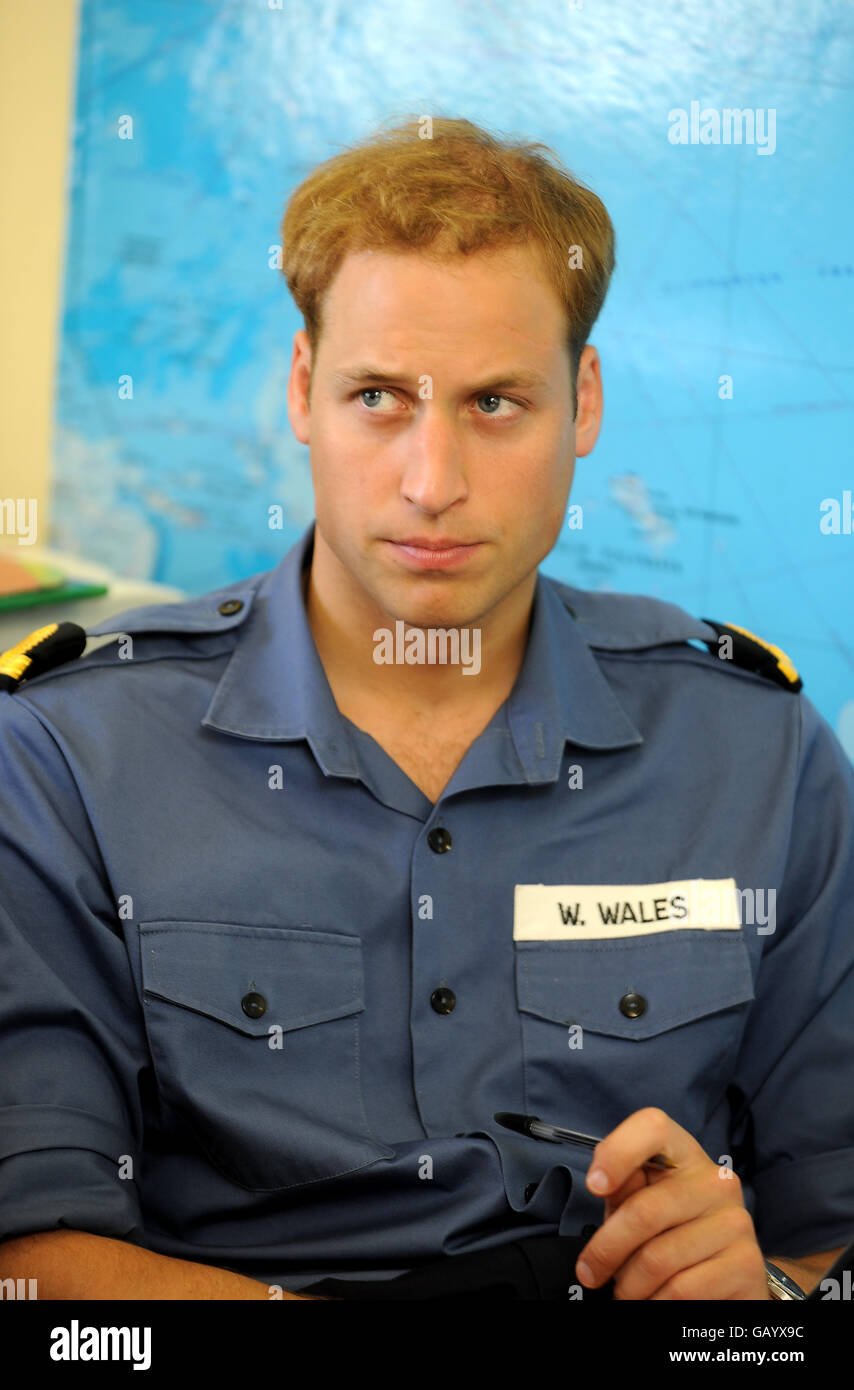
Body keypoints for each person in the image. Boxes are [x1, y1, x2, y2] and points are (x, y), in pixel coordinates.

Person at [0, 116, 852, 1302]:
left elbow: (829, 1240)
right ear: (303, 390)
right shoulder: (66, 752)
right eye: (378, 397)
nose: (431, 482)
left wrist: (761, 1304)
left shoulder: (759, 754)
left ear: (583, 401)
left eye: (495, 402)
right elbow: (29, 1259)